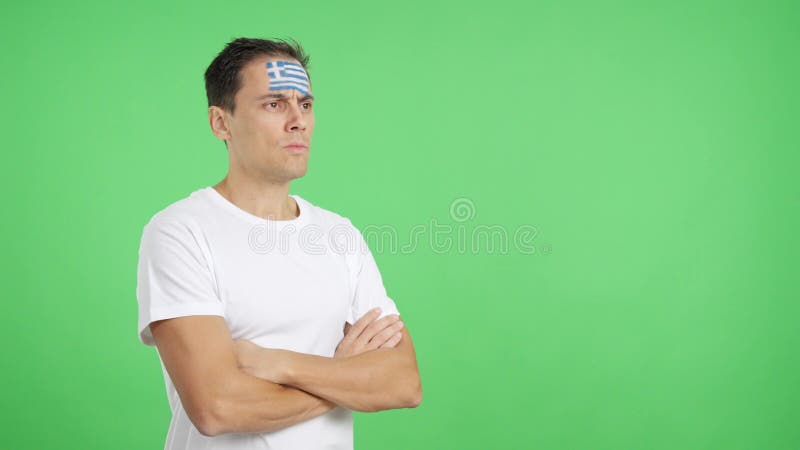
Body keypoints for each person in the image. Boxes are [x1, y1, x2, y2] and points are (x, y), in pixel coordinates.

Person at [135, 37, 422, 449]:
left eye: (305, 104)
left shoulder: (338, 236)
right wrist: (343, 377)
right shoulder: (181, 232)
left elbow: (402, 382)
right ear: (221, 123)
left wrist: (276, 364)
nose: (298, 121)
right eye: (274, 104)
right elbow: (217, 408)